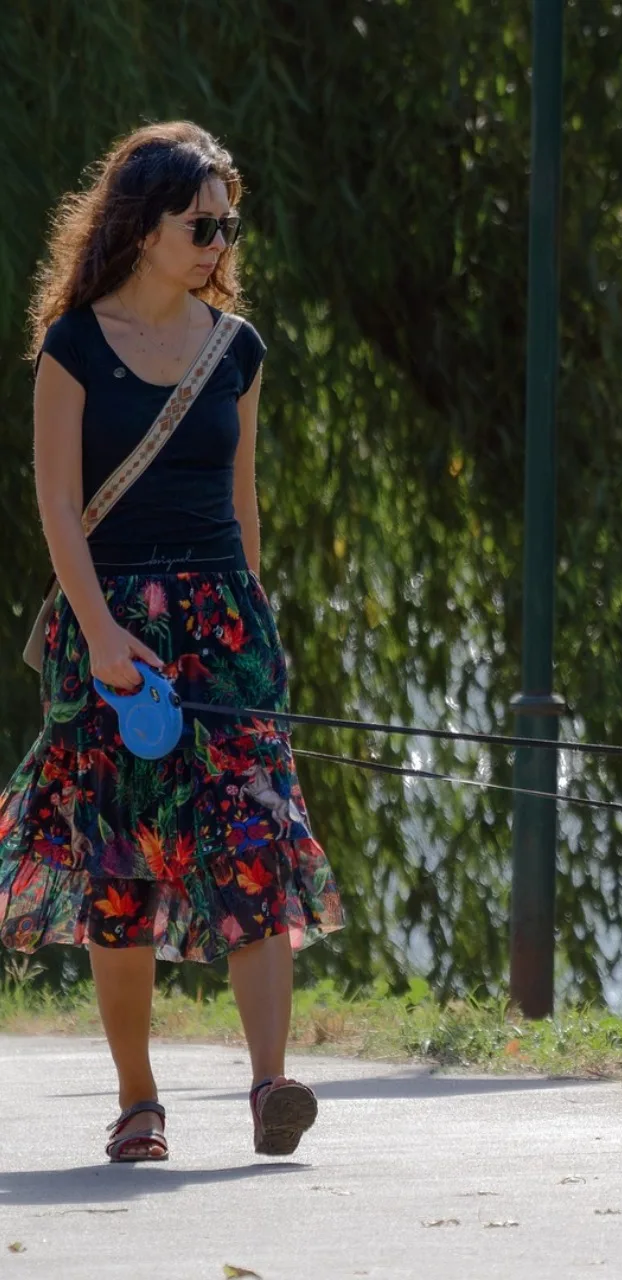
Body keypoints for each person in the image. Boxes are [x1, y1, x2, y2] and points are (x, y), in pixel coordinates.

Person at [0, 122, 344, 1162]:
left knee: (254, 838)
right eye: (203, 222)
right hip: (112, 632)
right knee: (118, 868)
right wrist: (102, 635)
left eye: (229, 223)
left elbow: (242, 510)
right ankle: (138, 1099)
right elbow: (59, 505)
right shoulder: (72, 347)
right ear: (145, 225)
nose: (220, 240)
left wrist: (262, 628)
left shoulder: (236, 349)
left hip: (224, 628)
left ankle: (271, 1085)